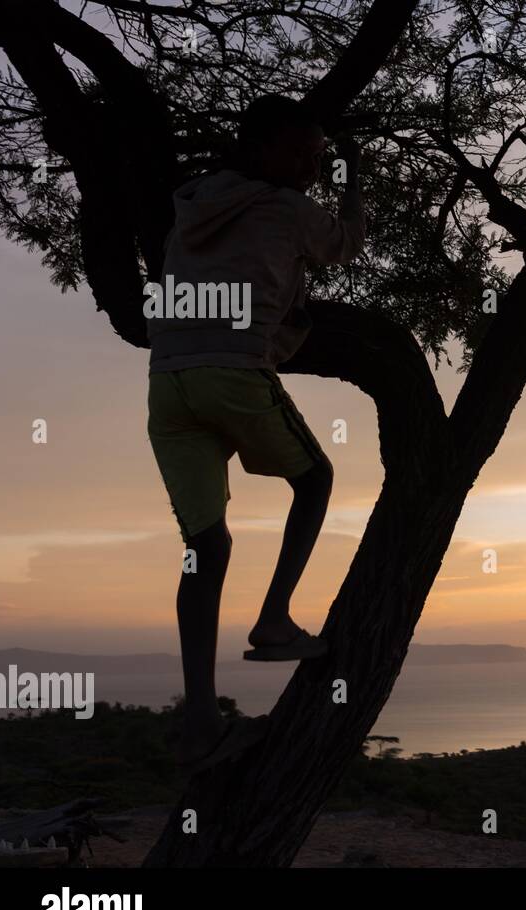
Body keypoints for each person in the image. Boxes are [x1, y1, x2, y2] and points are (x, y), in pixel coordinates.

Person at [145, 94, 365, 772]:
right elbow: (343, 246)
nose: (311, 164)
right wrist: (356, 178)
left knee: (205, 547)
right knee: (316, 478)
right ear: (265, 150)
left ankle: (202, 719)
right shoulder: (289, 208)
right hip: (232, 372)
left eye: (319, 156)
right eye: (303, 152)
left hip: (169, 385)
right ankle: (273, 619)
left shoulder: (194, 204)